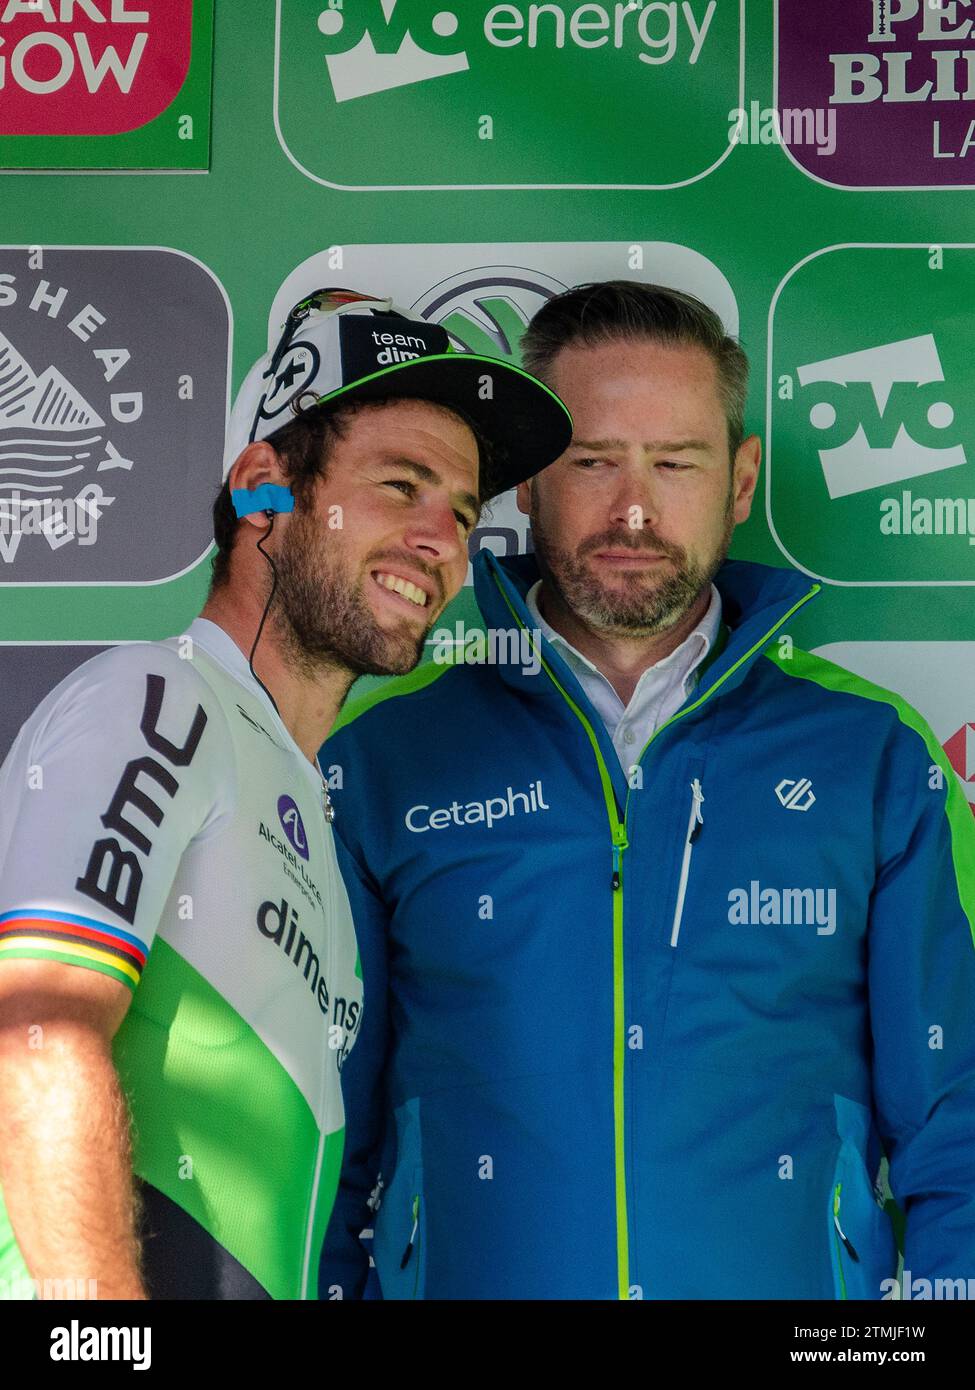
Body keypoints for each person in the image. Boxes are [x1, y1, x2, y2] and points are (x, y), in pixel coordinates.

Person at [320, 280, 975, 1301]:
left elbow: (957, 1126)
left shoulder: (873, 758)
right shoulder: (384, 760)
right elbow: (322, 1141)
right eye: (591, 462)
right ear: (525, 485)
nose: (634, 507)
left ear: (743, 478)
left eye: (675, 462)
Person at [0, 288, 572, 1300]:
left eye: (463, 510)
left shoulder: (307, 806)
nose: (442, 539)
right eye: (401, 484)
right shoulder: (160, 700)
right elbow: (37, 1031)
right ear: (265, 487)